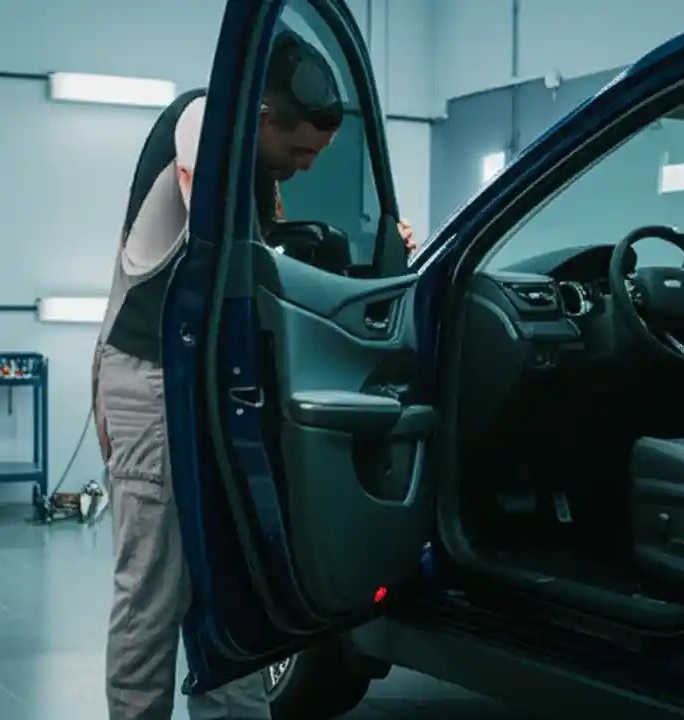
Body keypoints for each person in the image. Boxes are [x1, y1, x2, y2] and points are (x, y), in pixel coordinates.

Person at [92, 30, 415, 720]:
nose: (302, 168)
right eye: (298, 152)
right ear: (262, 118)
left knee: (231, 588)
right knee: (154, 595)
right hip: (154, 383)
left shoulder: (259, 177)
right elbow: (211, 226)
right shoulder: (202, 120)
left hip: (211, 387)